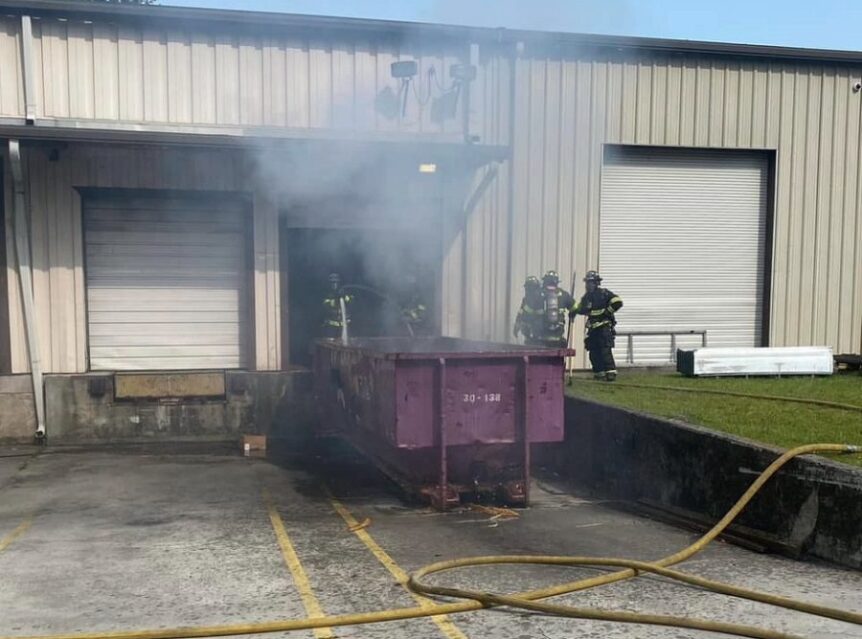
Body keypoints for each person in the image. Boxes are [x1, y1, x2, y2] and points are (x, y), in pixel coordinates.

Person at [571, 270, 623, 381]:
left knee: (605, 351)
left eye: (591, 282)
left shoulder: (604, 293)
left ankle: (610, 373)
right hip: (593, 328)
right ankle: (599, 374)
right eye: (587, 283)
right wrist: (573, 311)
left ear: (596, 283)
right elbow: (581, 308)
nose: (588, 285)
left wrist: (607, 312)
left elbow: (618, 302)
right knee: (593, 352)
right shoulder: (587, 297)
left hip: (603, 327)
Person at [536, 270, 575, 348]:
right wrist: (572, 314)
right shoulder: (564, 294)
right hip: (558, 337)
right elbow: (575, 307)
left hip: (541, 338)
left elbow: (528, 313)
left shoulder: (538, 294)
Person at [513, 276, 544, 345]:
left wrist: (519, 325)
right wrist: (517, 325)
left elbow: (539, 318)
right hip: (532, 335)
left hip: (538, 336)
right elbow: (521, 313)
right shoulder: (526, 299)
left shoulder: (539, 299)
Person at [321, 273, 352, 339]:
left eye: (336, 282)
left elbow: (351, 302)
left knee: (345, 343)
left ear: (339, 282)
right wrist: (336, 299)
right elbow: (325, 305)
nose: (334, 284)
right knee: (330, 344)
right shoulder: (327, 293)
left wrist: (344, 296)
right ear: (329, 283)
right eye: (332, 282)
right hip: (331, 326)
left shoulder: (345, 291)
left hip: (344, 325)